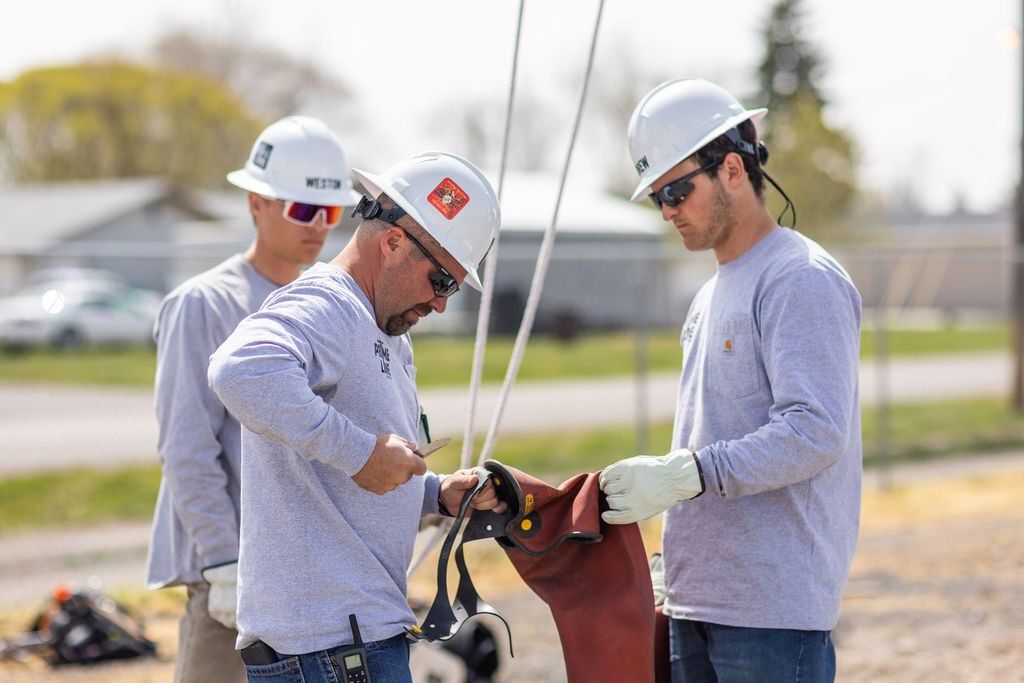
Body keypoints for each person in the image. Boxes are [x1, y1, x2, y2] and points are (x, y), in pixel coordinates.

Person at [207, 151, 508, 682]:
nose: (440, 304)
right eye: (441, 282)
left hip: (348, 643)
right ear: (393, 242)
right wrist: (362, 452)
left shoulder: (384, 328)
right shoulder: (329, 305)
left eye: (453, 289)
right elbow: (238, 370)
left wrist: (435, 493)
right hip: (330, 651)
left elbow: (349, 484)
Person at [599, 78, 862, 682]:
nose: (666, 210)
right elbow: (713, 427)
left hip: (772, 614)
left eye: (676, 189)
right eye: (656, 197)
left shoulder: (800, 279)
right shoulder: (710, 292)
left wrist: (687, 474)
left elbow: (816, 431)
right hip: (699, 602)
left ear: (734, 171)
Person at [145, 116, 362, 683]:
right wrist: (220, 561)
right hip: (234, 574)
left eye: (330, 212)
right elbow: (186, 444)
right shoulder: (204, 304)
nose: (317, 226)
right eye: (301, 209)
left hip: (308, 571)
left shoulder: (330, 306)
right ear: (255, 202)